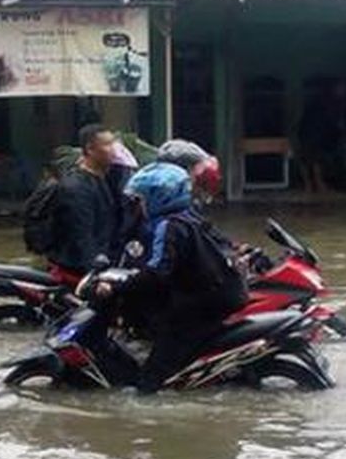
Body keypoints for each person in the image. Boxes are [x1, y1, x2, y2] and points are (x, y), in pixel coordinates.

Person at [92, 163, 247, 393]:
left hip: (201, 304)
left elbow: (157, 272)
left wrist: (116, 287)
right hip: (219, 294)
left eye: (141, 199)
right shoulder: (187, 217)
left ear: (159, 198)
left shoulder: (168, 226)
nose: (138, 205)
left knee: (151, 378)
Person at [46, 124, 119, 283]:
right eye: (107, 144)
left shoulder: (105, 179)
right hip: (76, 270)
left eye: (114, 143)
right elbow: (81, 234)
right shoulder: (76, 187)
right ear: (90, 149)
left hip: (102, 262)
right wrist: (95, 273)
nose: (114, 150)